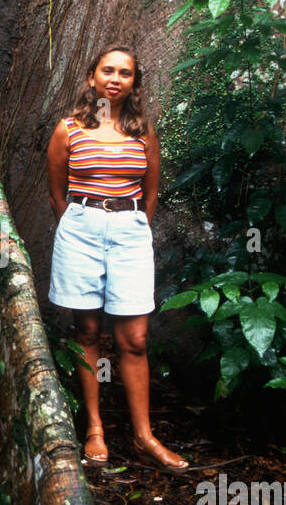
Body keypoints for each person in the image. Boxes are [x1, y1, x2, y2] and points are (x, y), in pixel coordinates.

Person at [45, 45, 188, 469]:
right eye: (107, 70)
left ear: (133, 83)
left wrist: (130, 227)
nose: (115, 78)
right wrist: (81, 224)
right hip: (81, 229)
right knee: (87, 332)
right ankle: (94, 428)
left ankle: (144, 436)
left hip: (129, 234)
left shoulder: (142, 131)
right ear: (92, 77)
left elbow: (152, 191)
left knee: (135, 339)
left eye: (125, 73)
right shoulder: (68, 129)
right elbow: (56, 192)